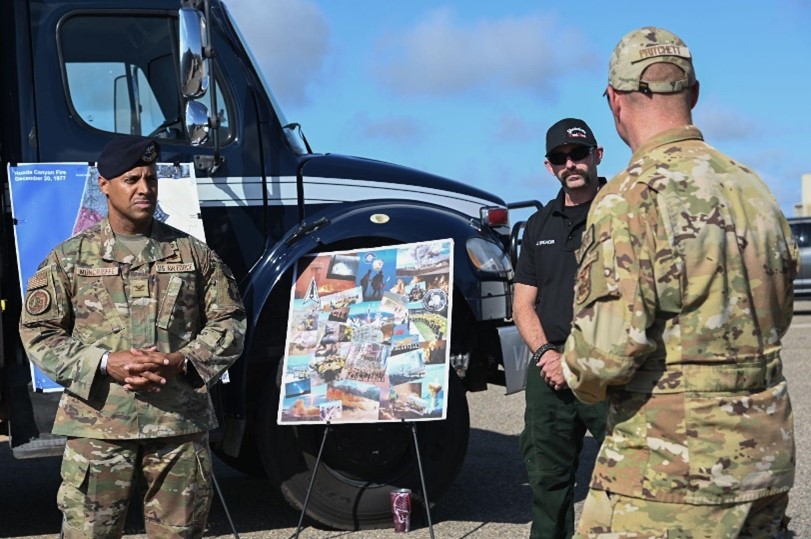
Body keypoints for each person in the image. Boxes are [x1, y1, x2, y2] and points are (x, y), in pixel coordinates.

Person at [563, 27, 797, 538]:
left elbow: (603, 357)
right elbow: (776, 319)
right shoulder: (755, 190)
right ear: (693, 93)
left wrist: (572, 368)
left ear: (614, 101)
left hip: (669, 478)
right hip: (764, 460)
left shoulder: (628, 199)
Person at [19, 136, 247, 538]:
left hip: (177, 426)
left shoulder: (193, 255)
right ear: (104, 185)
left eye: (150, 179)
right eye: (131, 180)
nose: (144, 189)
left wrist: (182, 361)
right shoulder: (69, 258)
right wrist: (106, 363)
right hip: (99, 427)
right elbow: (39, 331)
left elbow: (230, 322)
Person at [513, 118, 608, 539]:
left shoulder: (622, 213)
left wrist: (582, 360)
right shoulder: (539, 224)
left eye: (578, 153)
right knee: (547, 480)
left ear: (597, 155)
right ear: (549, 165)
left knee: (632, 476)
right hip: (549, 369)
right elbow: (522, 304)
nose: (570, 163)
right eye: (559, 157)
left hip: (608, 367)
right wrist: (546, 355)